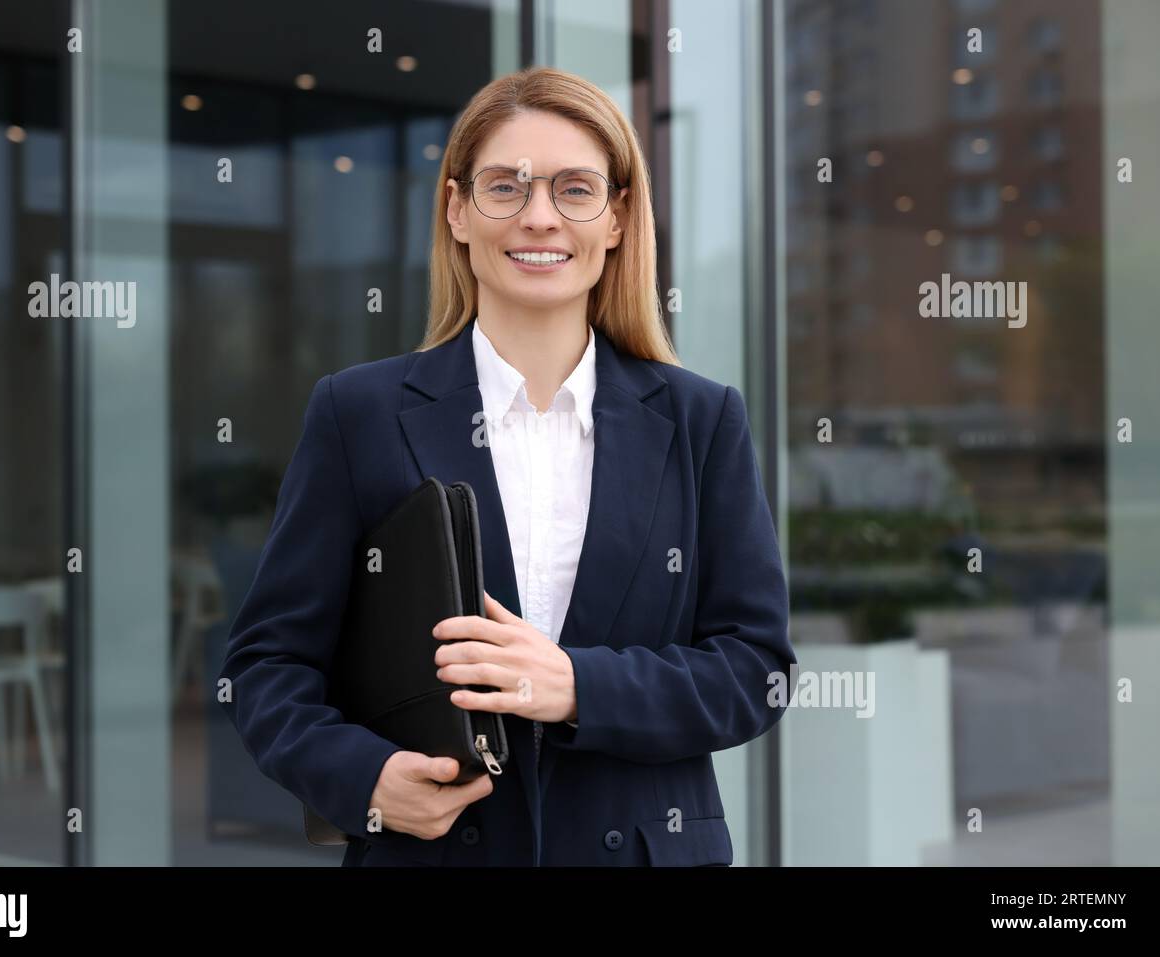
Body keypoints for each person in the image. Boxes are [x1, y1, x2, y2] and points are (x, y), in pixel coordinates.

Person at [220, 66, 795, 867]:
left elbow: (754, 668)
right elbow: (267, 665)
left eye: (575, 189)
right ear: (457, 210)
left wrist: (574, 685)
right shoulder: (358, 413)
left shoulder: (702, 422)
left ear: (620, 217)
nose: (538, 217)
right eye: (505, 187)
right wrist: (366, 780)